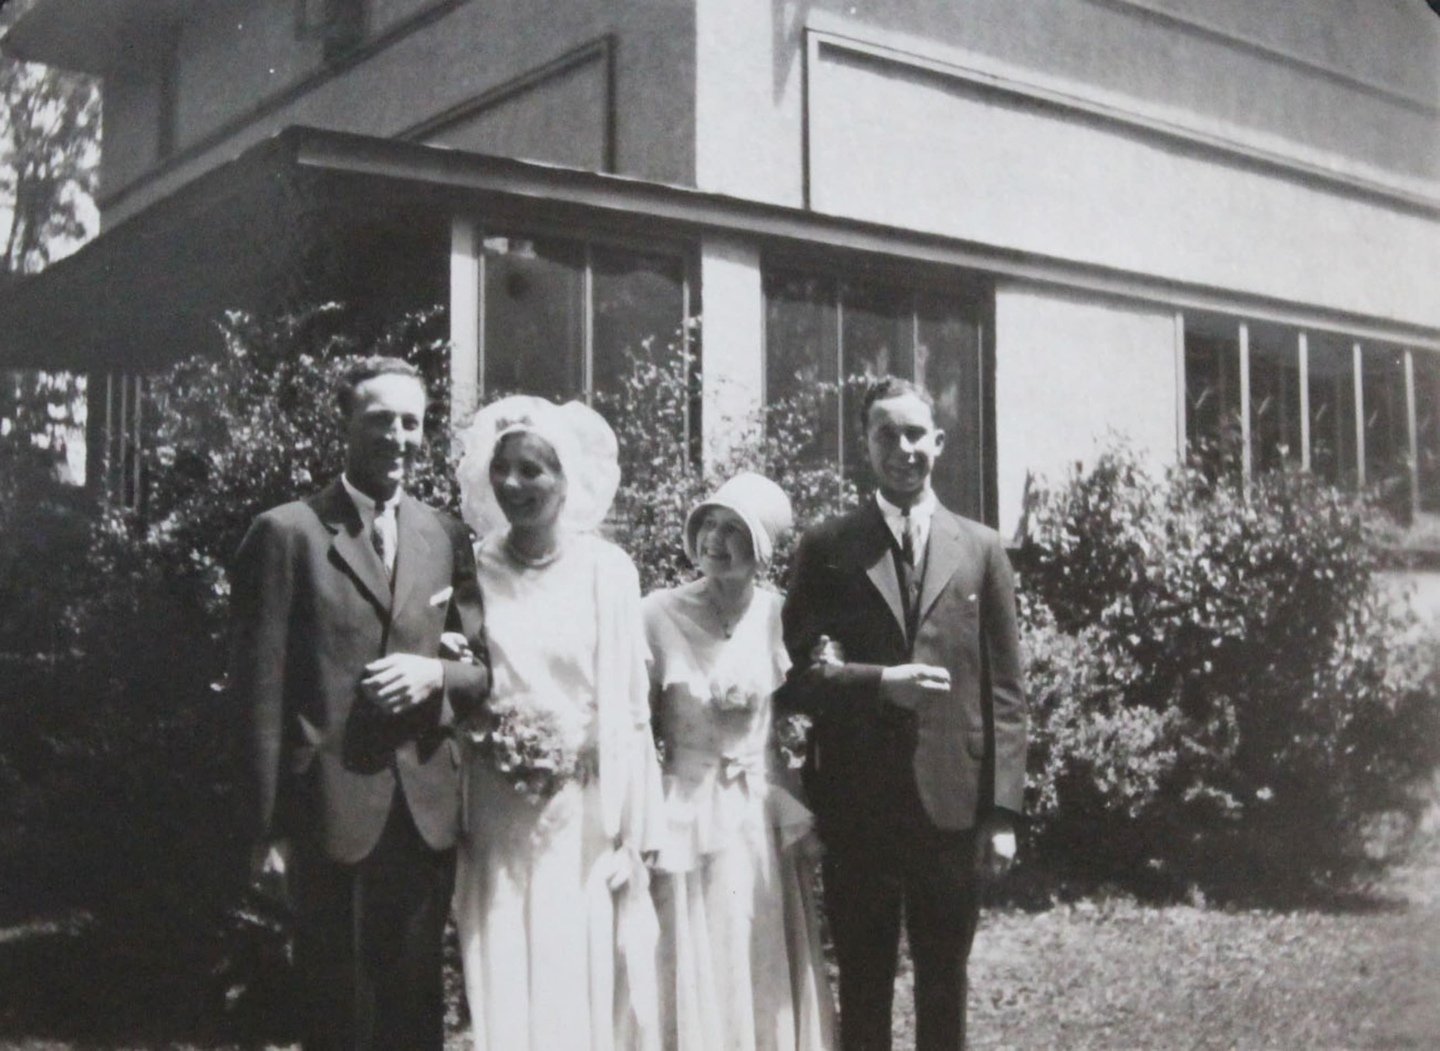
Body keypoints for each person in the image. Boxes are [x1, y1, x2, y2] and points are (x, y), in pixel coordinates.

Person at [229, 356, 490, 1050]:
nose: (398, 436)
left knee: (413, 1011)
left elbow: (482, 671)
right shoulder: (287, 533)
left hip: (424, 813)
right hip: (328, 812)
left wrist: (435, 673)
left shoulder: (443, 534)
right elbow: (258, 698)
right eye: (380, 419)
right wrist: (266, 834)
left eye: (412, 421)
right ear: (344, 423)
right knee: (337, 1013)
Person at [778, 377, 1028, 1051]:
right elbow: (792, 678)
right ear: (865, 444)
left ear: (938, 442)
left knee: (945, 982)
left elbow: (1005, 690)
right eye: (885, 434)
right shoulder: (829, 544)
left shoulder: (981, 548)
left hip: (951, 811)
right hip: (859, 808)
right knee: (863, 985)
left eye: (915, 433)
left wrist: (1001, 813)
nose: (902, 448)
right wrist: (878, 683)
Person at [451, 394, 664, 1051]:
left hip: (582, 806)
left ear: (568, 478)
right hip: (496, 802)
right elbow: (459, 677)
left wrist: (637, 822)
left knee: (580, 962)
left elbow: (629, 705)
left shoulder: (608, 570)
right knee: (503, 954)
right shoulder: (471, 571)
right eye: (503, 468)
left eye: (533, 470)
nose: (514, 483)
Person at [644, 471, 837, 1051]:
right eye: (708, 524)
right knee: (690, 955)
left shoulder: (780, 616)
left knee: (757, 951)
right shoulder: (654, 614)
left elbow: (813, 696)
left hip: (758, 817)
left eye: (734, 530)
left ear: (761, 549)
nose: (715, 540)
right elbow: (633, 721)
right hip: (686, 813)